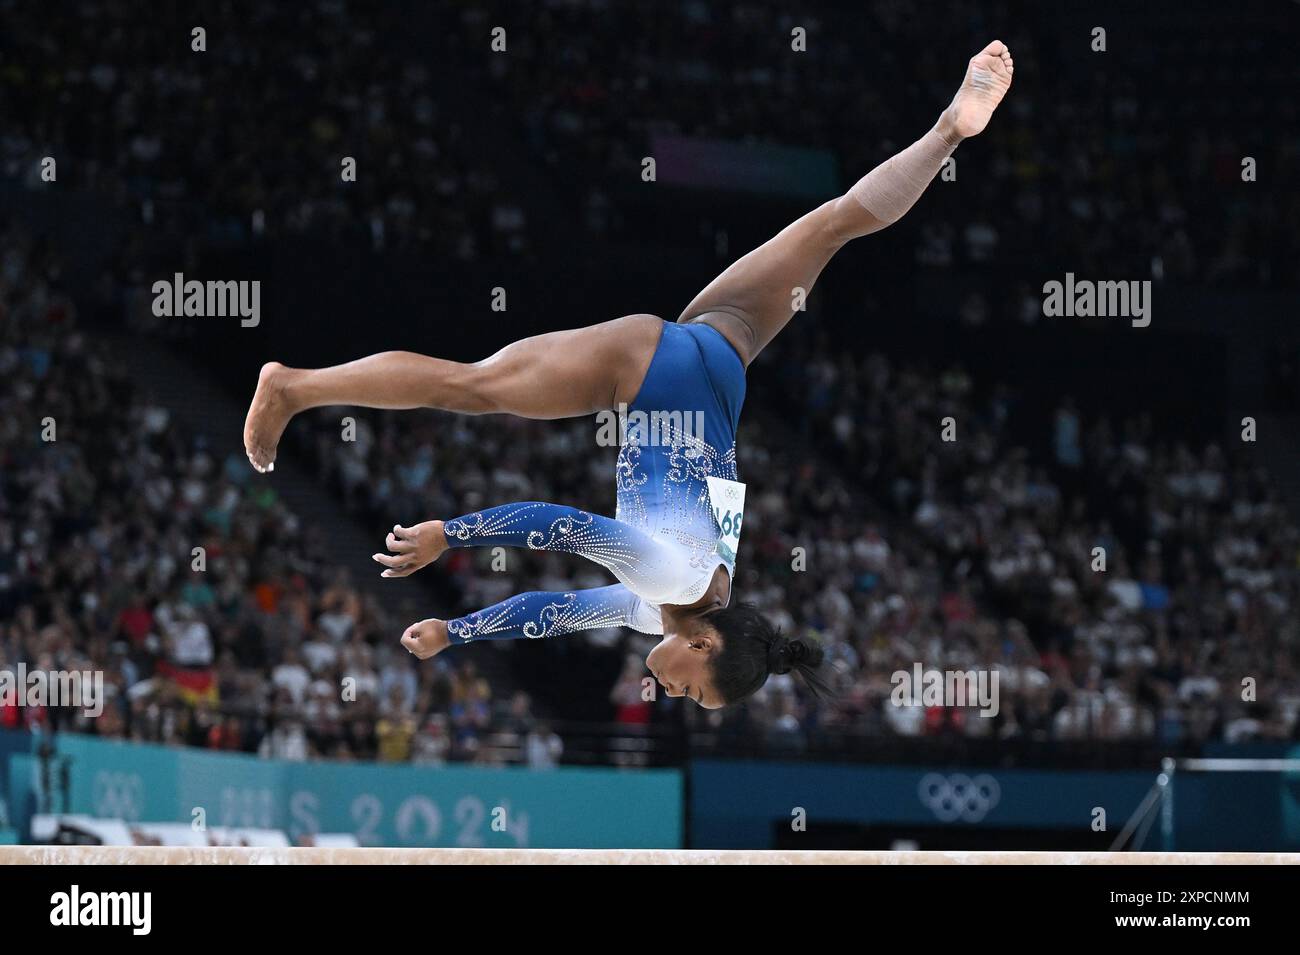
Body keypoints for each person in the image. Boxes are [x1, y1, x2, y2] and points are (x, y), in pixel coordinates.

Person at [242, 42, 1015, 709]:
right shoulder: (673, 579)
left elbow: (559, 610)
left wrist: (459, 629)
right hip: (649, 375)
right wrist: (454, 533)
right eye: (690, 688)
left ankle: (950, 129)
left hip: (721, 362)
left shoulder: (681, 598)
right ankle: (294, 386)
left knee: (836, 221)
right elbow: (566, 527)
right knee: (468, 386)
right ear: (706, 645)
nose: (668, 690)